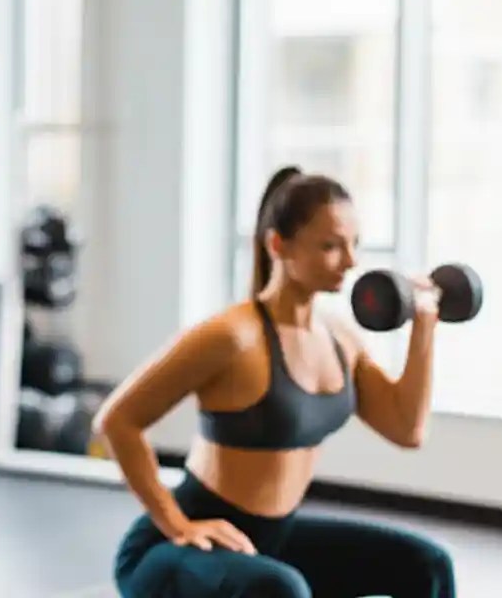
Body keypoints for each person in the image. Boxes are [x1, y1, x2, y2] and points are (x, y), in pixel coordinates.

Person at [94, 166, 456, 598]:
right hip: (173, 553)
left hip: (269, 540)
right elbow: (117, 420)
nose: (352, 261)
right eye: (330, 245)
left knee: (428, 566)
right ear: (278, 245)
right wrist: (177, 524)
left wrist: (424, 327)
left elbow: (407, 429)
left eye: (354, 244)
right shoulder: (231, 336)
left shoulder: (340, 339)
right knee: (280, 589)